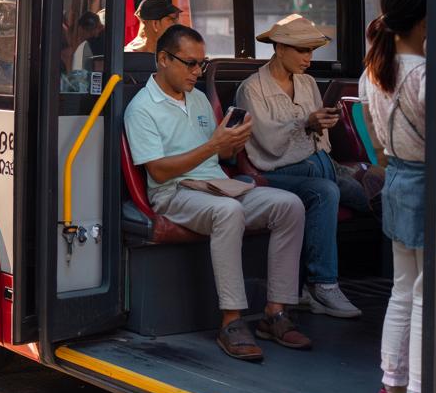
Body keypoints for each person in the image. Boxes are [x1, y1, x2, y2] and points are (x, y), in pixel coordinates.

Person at [123, 24, 309, 362]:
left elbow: (219, 156)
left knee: (290, 205)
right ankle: (231, 320)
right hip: (173, 192)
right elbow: (159, 171)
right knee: (229, 212)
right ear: (163, 59)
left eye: (202, 64)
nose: (197, 72)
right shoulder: (141, 108)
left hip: (216, 185)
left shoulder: (197, 100)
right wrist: (214, 145)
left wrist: (231, 144)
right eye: (190, 63)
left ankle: (275, 312)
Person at [235, 14, 370, 319]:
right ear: (279, 48)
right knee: (327, 183)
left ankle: (321, 284)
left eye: (311, 51)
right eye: (302, 50)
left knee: (331, 186)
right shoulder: (251, 89)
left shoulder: (308, 83)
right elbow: (267, 142)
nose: (308, 59)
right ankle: (324, 282)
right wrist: (306, 123)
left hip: (312, 166)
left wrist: (322, 122)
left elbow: (318, 138)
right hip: (271, 170)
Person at [360, 0, 428, 393]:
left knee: (402, 290)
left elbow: (378, 144)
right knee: (428, 294)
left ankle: (392, 387)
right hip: (425, 185)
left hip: (396, 183)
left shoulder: (373, 72)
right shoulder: (424, 74)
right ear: (424, 19)